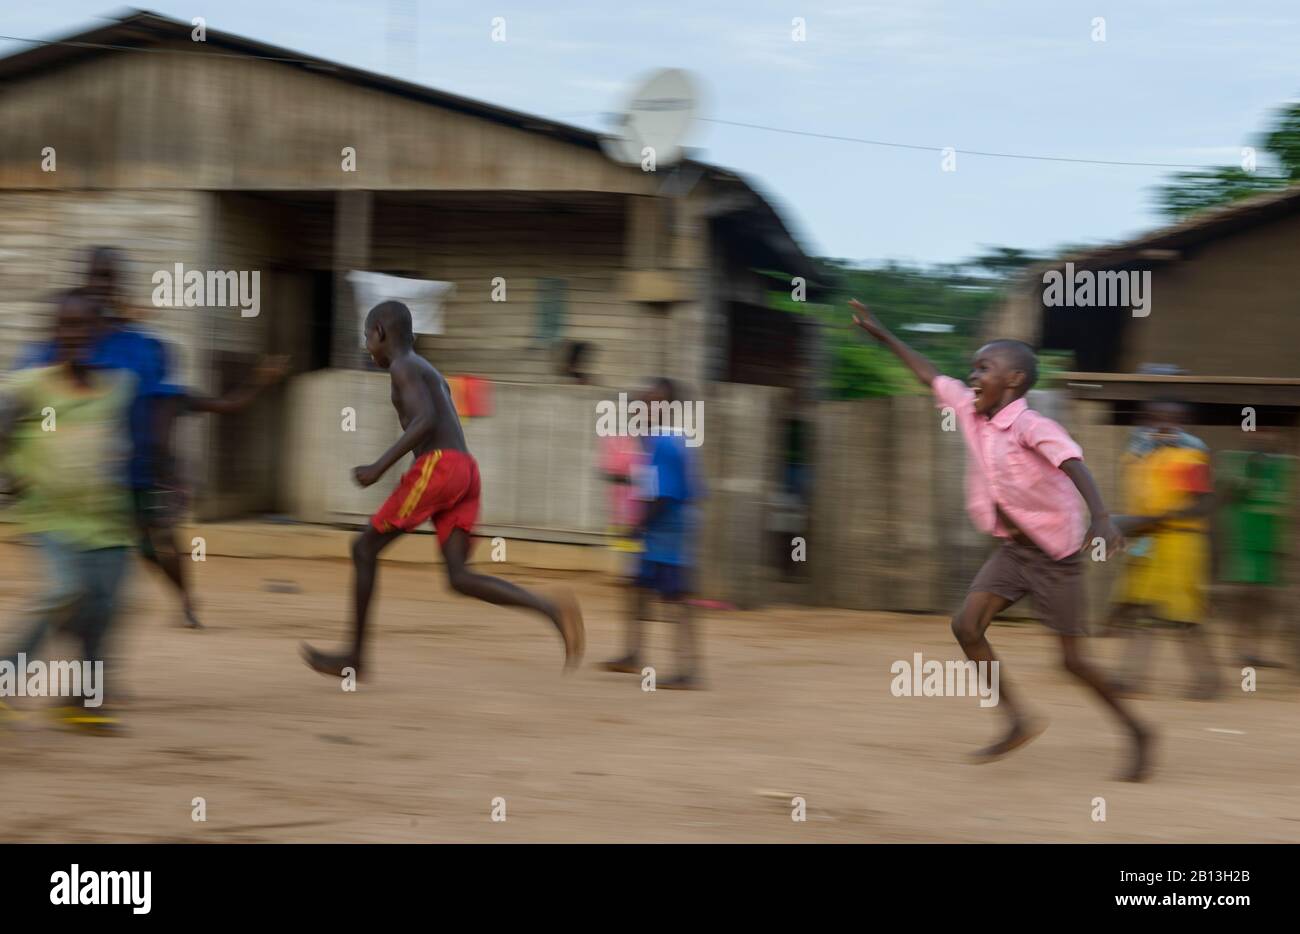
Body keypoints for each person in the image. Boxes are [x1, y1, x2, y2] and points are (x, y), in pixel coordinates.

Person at [850, 298, 1153, 781]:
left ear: (1012, 381)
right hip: (1013, 552)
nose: (972, 376)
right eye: (972, 368)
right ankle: (1016, 717)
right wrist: (883, 333)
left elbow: (1073, 461)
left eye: (983, 368)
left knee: (1073, 662)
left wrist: (1101, 517)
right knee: (967, 627)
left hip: (1056, 556)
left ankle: (1138, 731)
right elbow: (930, 376)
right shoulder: (971, 414)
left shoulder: (1032, 425)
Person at [302, 301, 585, 679]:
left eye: (367, 337)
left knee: (363, 547)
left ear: (381, 333)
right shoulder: (427, 369)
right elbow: (436, 418)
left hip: (440, 467)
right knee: (458, 576)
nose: (367, 348)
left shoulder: (403, 367)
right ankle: (549, 608)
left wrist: (378, 467)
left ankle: (355, 656)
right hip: (465, 469)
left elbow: (426, 420)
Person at [13, 247, 288, 629]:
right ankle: (79, 621)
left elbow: (201, 404)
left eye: (108, 278)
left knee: (154, 546)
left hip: (138, 472)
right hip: (80, 478)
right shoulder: (62, 345)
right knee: (83, 552)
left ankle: (182, 601)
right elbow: (23, 399)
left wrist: (258, 382)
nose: (101, 287)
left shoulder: (143, 348)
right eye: (96, 277)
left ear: (118, 286)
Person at [0, 290, 136, 731]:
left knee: (105, 607)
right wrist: (11, 476)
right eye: (66, 325)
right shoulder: (31, 385)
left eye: (84, 325)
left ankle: (81, 702)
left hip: (107, 521)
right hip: (51, 517)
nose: (74, 334)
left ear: (99, 332)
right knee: (62, 591)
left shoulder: (116, 388)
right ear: (54, 331)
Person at [1109, 400, 1219, 699]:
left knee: (1183, 619)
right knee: (1143, 612)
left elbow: (1202, 502)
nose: (1163, 424)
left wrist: (1156, 518)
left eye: (1171, 418)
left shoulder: (1190, 455)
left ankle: (1209, 680)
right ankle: (1130, 677)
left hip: (1180, 543)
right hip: (1148, 541)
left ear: (1184, 422)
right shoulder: (1140, 455)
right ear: (1147, 420)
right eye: (1156, 417)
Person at [601, 378, 703, 689]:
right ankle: (633, 654)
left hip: (669, 530)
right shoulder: (654, 441)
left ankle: (688, 671)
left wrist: (637, 527)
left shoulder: (664, 443)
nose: (642, 408)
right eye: (642, 403)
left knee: (675, 598)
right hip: (659, 528)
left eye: (650, 404)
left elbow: (664, 495)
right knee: (638, 588)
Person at [1216, 426, 1293, 670]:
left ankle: (1256, 651)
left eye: (1270, 431)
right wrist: (1251, 471)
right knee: (1245, 602)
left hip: (1273, 547)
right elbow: (1227, 494)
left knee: (1266, 603)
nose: (1264, 437)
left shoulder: (1285, 466)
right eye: (1258, 431)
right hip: (1244, 545)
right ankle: (1240, 650)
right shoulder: (1235, 462)